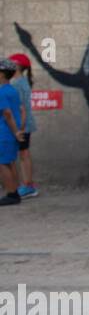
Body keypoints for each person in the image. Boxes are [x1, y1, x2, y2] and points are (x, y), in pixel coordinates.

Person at [8, 53, 39, 197]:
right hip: (23, 125)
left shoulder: (17, 83)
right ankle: (28, 184)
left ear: (18, 66)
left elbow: (21, 109)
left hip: (22, 126)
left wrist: (19, 129)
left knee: (23, 154)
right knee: (23, 154)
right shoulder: (20, 82)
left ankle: (28, 185)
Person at [0, 59, 24, 207]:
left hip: (4, 133)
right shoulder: (12, 90)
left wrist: (15, 131)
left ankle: (11, 194)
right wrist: (19, 129)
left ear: (2, 74)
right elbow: (21, 110)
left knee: (2, 164)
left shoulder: (2, 92)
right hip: (10, 133)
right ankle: (14, 192)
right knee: (10, 163)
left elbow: (7, 114)